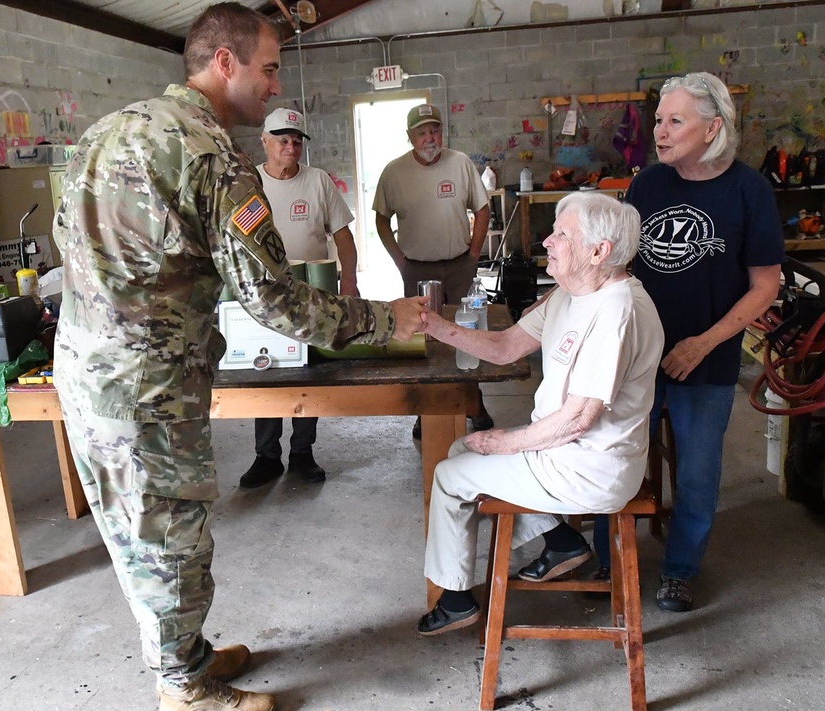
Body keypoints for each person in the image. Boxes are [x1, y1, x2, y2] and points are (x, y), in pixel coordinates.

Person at [52, 2, 425, 711]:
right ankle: (182, 691)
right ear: (224, 62)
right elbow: (276, 301)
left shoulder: (105, 132)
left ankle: (186, 656)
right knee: (168, 539)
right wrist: (387, 319)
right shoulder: (213, 157)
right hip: (149, 388)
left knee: (140, 528)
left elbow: (72, 242)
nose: (275, 84)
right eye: (270, 67)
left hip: (89, 371)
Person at [414, 192, 663, 635]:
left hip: (590, 466)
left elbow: (577, 419)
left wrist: (502, 441)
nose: (546, 241)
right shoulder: (571, 293)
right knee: (459, 449)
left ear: (598, 251)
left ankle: (455, 599)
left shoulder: (617, 310)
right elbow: (508, 346)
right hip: (563, 450)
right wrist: (436, 326)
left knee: (451, 475)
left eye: (561, 234)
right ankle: (561, 541)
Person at [591, 72, 784, 613]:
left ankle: (679, 569)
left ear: (713, 127)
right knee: (616, 454)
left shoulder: (749, 190)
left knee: (697, 470)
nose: (660, 130)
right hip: (638, 357)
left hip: (708, 357)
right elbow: (619, 265)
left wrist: (702, 343)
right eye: (658, 120)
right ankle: (607, 558)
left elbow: (765, 286)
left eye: (676, 120)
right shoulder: (648, 185)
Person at [239, 107, 360, 489]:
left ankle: (303, 453)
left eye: (296, 141)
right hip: (264, 294)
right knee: (267, 371)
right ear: (264, 141)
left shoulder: (319, 181)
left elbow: (343, 237)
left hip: (313, 293)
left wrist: (349, 283)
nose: (290, 147)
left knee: (309, 373)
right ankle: (266, 456)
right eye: (282, 140)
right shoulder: (248, 183)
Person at [373, 104, 494, 437]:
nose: (430, 137)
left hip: (459, 266)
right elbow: (381, 219)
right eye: (422, 132)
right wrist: (399, 259)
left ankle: (474, 402)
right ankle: (425, 410)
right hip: (416, 270)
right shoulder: (394, 172)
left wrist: (473, 255)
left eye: (435, 130)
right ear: (410, 137)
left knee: (467, 337)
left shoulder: (461, 164)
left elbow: (482, 210)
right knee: (423, 338)